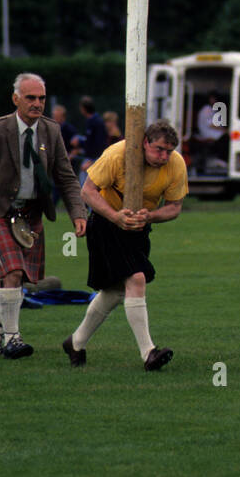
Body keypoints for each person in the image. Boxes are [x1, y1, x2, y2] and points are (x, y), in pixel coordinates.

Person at [0, 72, 87, 359]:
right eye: (30, 98)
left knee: (17, 277)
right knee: (11, 272)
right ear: (16, 99)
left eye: (41, 98)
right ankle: (13, 338)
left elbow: (66, 176)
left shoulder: (51, 130)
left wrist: (77, 212)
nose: (37, 104)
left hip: (30, 213)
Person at [63, 119, 187, 373]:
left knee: (116, 291)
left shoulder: (176, 163)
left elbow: (174, 207)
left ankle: (75, 343)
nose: (164, 156)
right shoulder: (118, 154)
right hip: (106, 223)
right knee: (136, 278)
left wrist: (150, 216)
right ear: (145, 143)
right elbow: (87, 191)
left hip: (139, 227)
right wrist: (115, 216)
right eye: (159, 150)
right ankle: (149, 353)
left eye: (169, 151)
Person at [50, 104, 80, 206]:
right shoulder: (52, 128)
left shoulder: (70, 130)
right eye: (54, 116)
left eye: (56, 116)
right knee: (56, 185)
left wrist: (68, 159)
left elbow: (76, 148)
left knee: (69, 185)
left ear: (62, 116)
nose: (54, 118)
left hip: (68, 163)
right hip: (57, 162)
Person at [78, 97, 108, 183]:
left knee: (86, 183)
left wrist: (91, 161)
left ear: (83, 108)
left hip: (94, 158)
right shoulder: (91, 121)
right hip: (91, 157)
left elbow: (99, 144)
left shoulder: (96, 122)